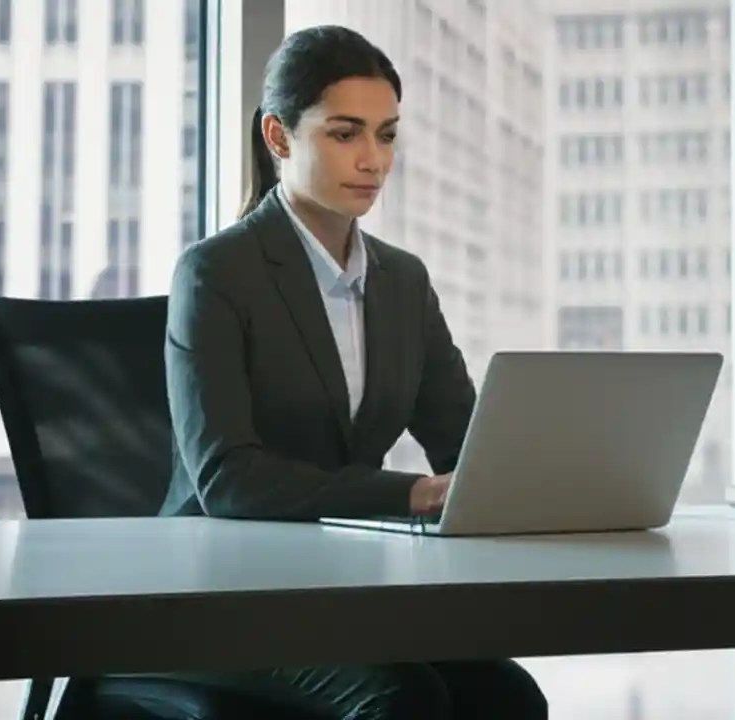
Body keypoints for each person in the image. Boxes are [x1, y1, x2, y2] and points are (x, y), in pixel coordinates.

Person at [158, 25, 547, 720]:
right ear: (279, 137)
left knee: (507, 696)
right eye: (345, 134)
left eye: (387, 134)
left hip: (340, 586)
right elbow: (227, 479)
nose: (374, 160)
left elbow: (465, 443)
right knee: (404, 701)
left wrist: (539, 479)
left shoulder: (401, 282)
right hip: (218, 593)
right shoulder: (217, 274)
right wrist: (414, 494)